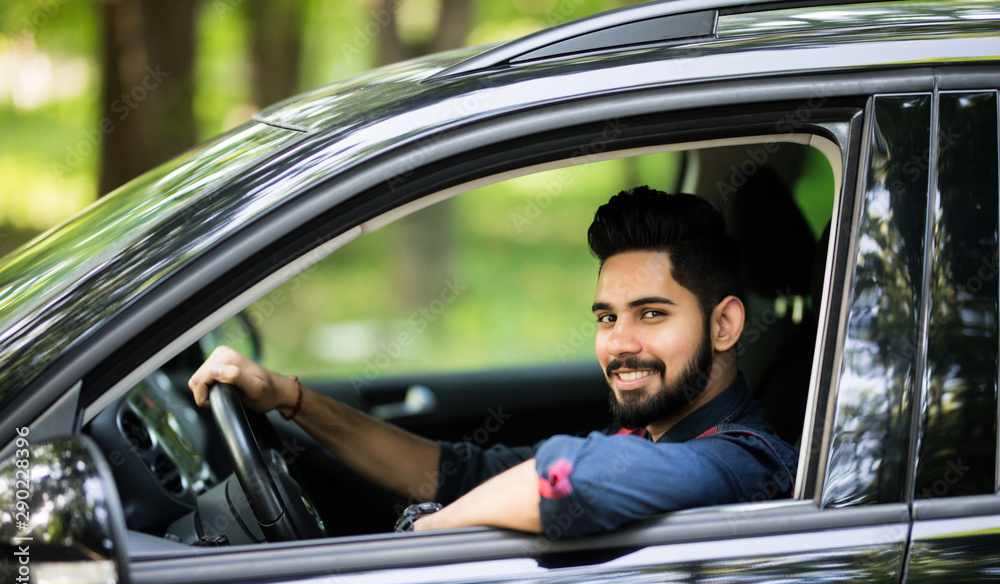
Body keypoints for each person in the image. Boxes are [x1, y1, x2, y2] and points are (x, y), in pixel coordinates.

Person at [189, 186, 797, 539]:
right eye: (607, 317)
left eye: (652, 314)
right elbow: (454, 471)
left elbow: (576, 479)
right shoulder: (649, 431)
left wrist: (425, 537)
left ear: (724, 325)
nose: (620, 343)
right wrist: (292, 399)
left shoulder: (744, 462)